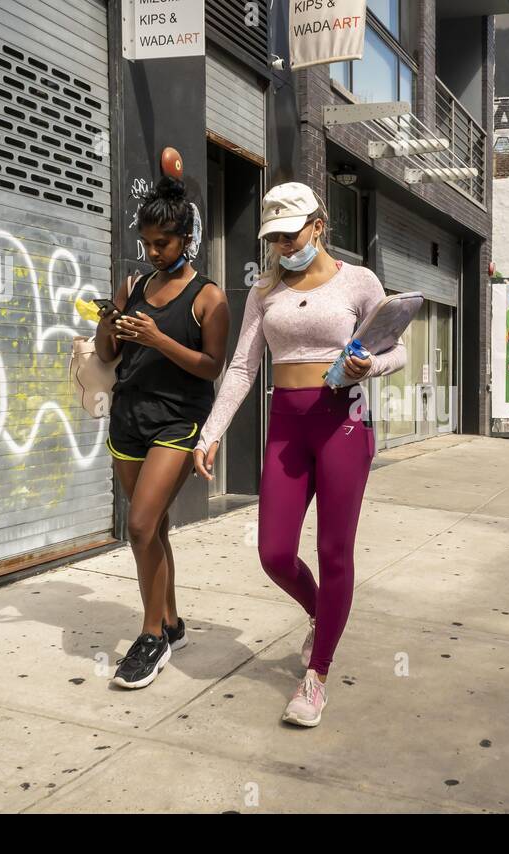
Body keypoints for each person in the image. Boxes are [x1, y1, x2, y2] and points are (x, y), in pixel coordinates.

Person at [193, 182, 405, 728]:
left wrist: (370, 367)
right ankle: (321, 611)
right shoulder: (264, 291)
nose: (284, 247)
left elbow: (396, 346)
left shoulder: (358, 281)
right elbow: (242, 367)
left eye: (291, 235)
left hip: (345, 423)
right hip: (287, 426)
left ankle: (317, 676)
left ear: (318, 225)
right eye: (275, 239)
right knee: (274, 553)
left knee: (335, 552)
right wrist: (211, 432)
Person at [94, 178, 230, 690]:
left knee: (140, 525)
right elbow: (108, 355)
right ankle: (172, 622)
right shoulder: (132, 287)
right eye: (147, 242)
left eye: (163, 243)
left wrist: (158, 337)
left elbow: (212, 366)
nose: (152, 252)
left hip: (178, 422)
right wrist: (111, 323)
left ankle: (151, 636)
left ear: (187, 239)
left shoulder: (207, 296)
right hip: (129, 418)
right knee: (154, 530)